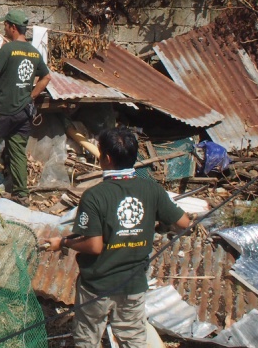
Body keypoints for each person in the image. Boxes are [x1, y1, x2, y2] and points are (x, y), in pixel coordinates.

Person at [45, 127, 191, 348]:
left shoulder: (95, 196)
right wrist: (160, 226)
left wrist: (64, 242)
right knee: (132, 336)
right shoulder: (151, 189)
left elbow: (94, 246)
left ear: (107, 158)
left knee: (88, 337)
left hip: (97, 285)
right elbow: (185, 224)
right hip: (134, 283)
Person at [0, 9, 51, 203]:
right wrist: (30, 96)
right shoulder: (34, 52)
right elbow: (46, 77)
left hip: (2, 111)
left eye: (5, 25)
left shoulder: (8, 49)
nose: (4, 28)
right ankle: (22, 194)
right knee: (17, 153)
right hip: (23, 113)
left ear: (13, 27)